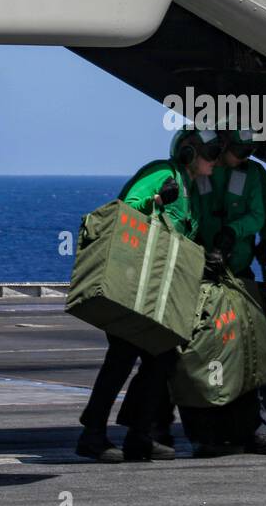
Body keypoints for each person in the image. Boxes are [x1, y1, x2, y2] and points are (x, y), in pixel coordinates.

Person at [76, 126, 223, 463]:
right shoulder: (161, 173)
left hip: (158, 292)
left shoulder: (190, 188)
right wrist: (156, 200)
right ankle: (93, 432)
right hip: (133, 286)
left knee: (162, 359)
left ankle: (138, 434)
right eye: (209, 154)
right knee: (123, 357)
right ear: (189, 153)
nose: (215, 161)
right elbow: (125, 210)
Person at [192, 128, 266, 456]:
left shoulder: (253, 174)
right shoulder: (204, 170)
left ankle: (256, 429)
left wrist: (236, 234)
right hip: (204, 274)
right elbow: (193, 214)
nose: (243, 158)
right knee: (207, 354)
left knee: (249, 352)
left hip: (239, 274)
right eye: (238, 150)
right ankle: (209, 433)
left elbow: (261, 215)